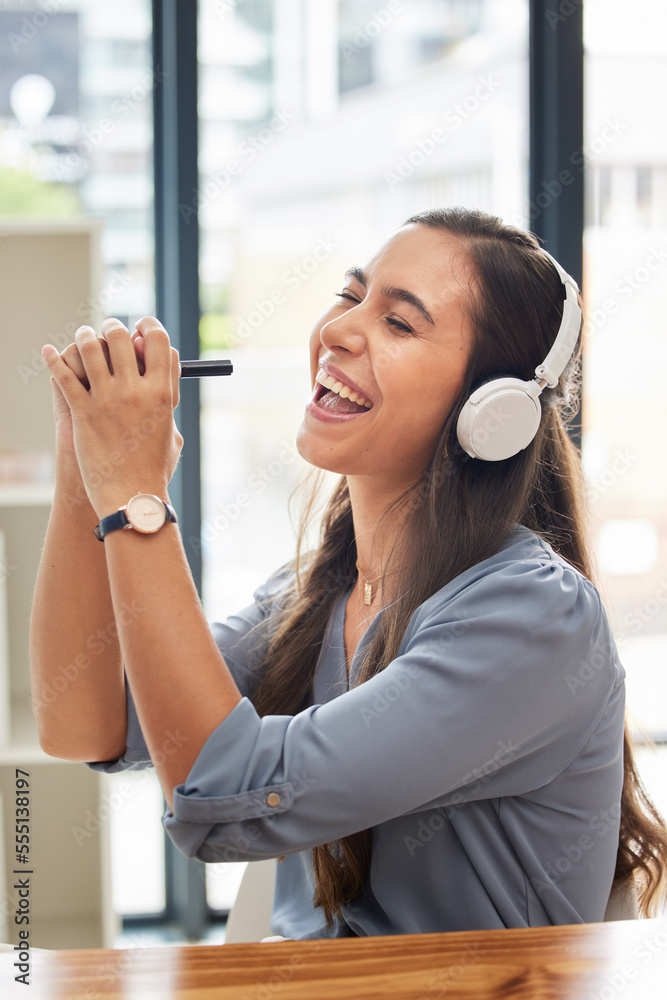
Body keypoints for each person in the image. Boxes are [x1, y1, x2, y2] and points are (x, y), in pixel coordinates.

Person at [30, 207, 667, 939]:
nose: (338, 330)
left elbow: (223, 802)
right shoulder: (313, 594)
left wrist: (137, 498)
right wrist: (86, 470)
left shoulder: (532, 618)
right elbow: (82, 723)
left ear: (492, 409)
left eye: (399, 323)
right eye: (350, 295)